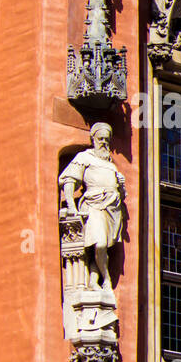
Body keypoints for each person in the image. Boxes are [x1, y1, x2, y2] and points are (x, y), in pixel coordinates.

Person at [59, 122, 125, 290]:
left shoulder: (111, 165)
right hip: (94, 206)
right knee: (100, 244)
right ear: (93, 139)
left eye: (107, 139)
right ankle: (107, 279)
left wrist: (121, 187)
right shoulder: (84, 158)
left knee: (99, 249)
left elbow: (121, 194)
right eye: (100, 138)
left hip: (112, 210)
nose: (104, 142)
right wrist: (72, 207)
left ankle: (93, 281)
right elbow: (69, 180)